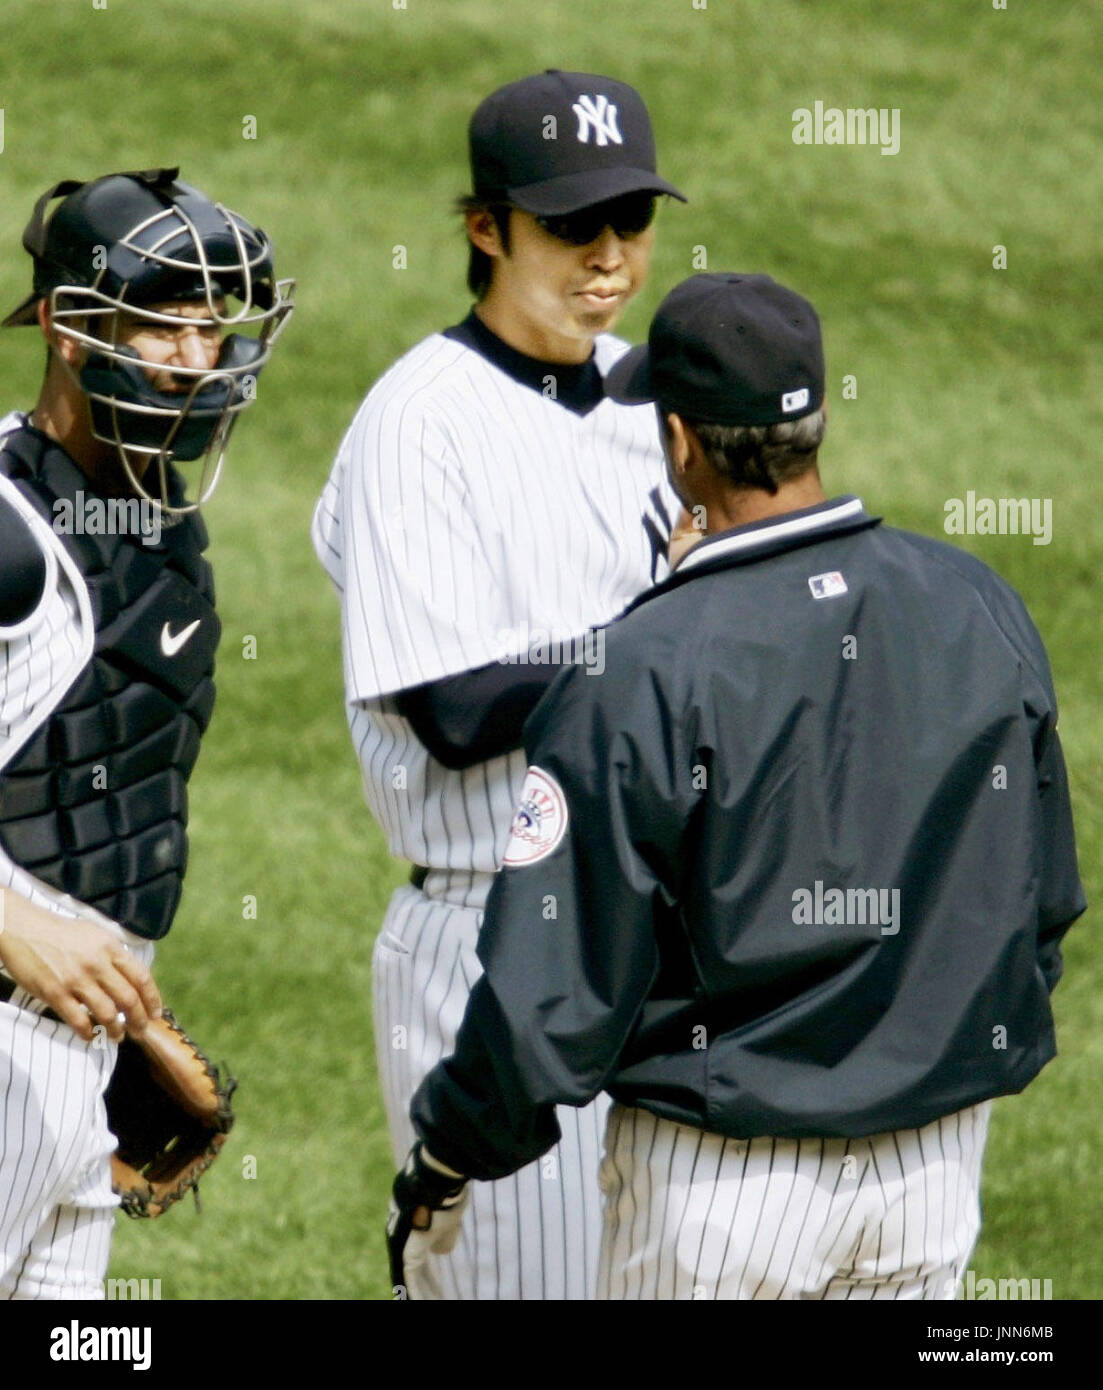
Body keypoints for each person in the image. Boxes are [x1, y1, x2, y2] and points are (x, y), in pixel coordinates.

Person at [388, 272, 1086, 1300]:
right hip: (932, 1171)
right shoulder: (974, 603)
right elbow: (1039, 904)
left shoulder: (636, 669)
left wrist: (446, 1158)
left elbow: (547, 1007)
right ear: (813, 424)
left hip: (720, 1194)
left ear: (679, 442)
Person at [312, 69, 686, 1300]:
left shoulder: (653, 402)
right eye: (573, 226)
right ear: (485, 229)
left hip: (657, 936)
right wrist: (653, 639)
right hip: (493, 944)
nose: (609, 258)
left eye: (628, 222)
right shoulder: (419, 420)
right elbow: (454, 707)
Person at [0, 167, 293, 1299]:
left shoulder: (163, 533)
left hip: (82, 1060)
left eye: (213, 325)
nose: (196, 355)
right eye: (162, 322)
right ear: (72, 332)